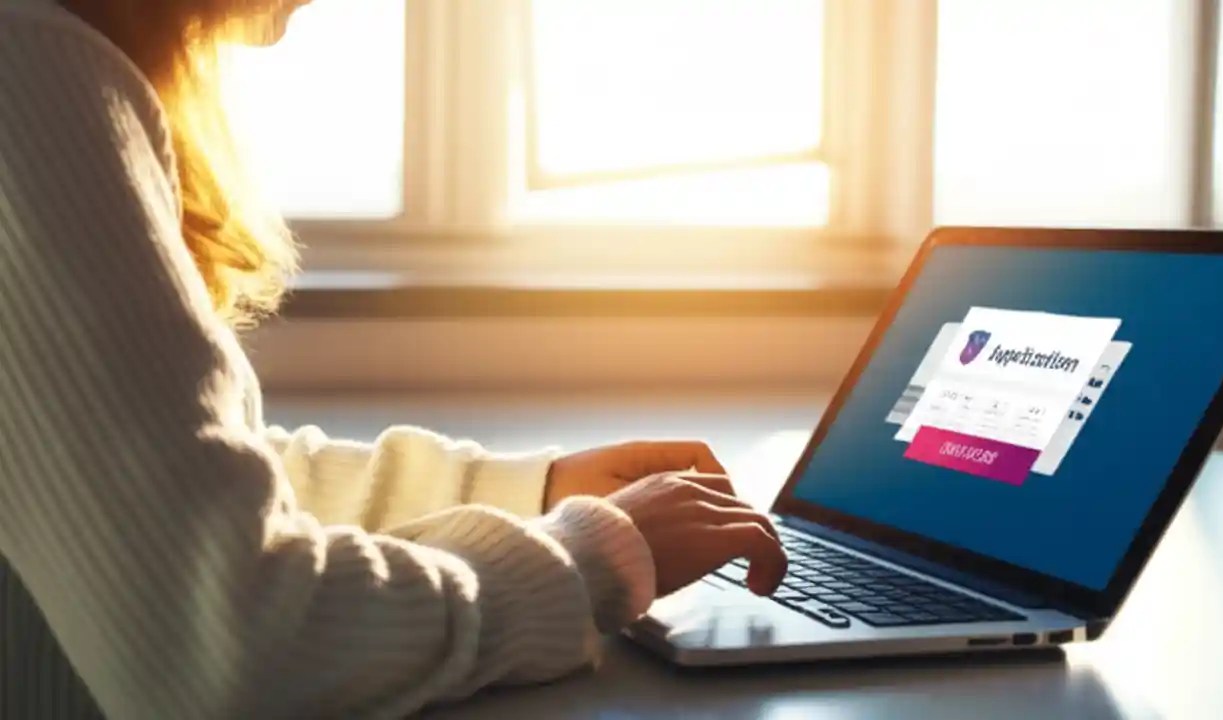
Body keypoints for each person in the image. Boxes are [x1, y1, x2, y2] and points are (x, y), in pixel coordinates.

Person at [0, 0, 788, 716]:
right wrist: (595, 555)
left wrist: (526, 491)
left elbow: (156, 475)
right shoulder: (30, 67)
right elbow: (223, 645)